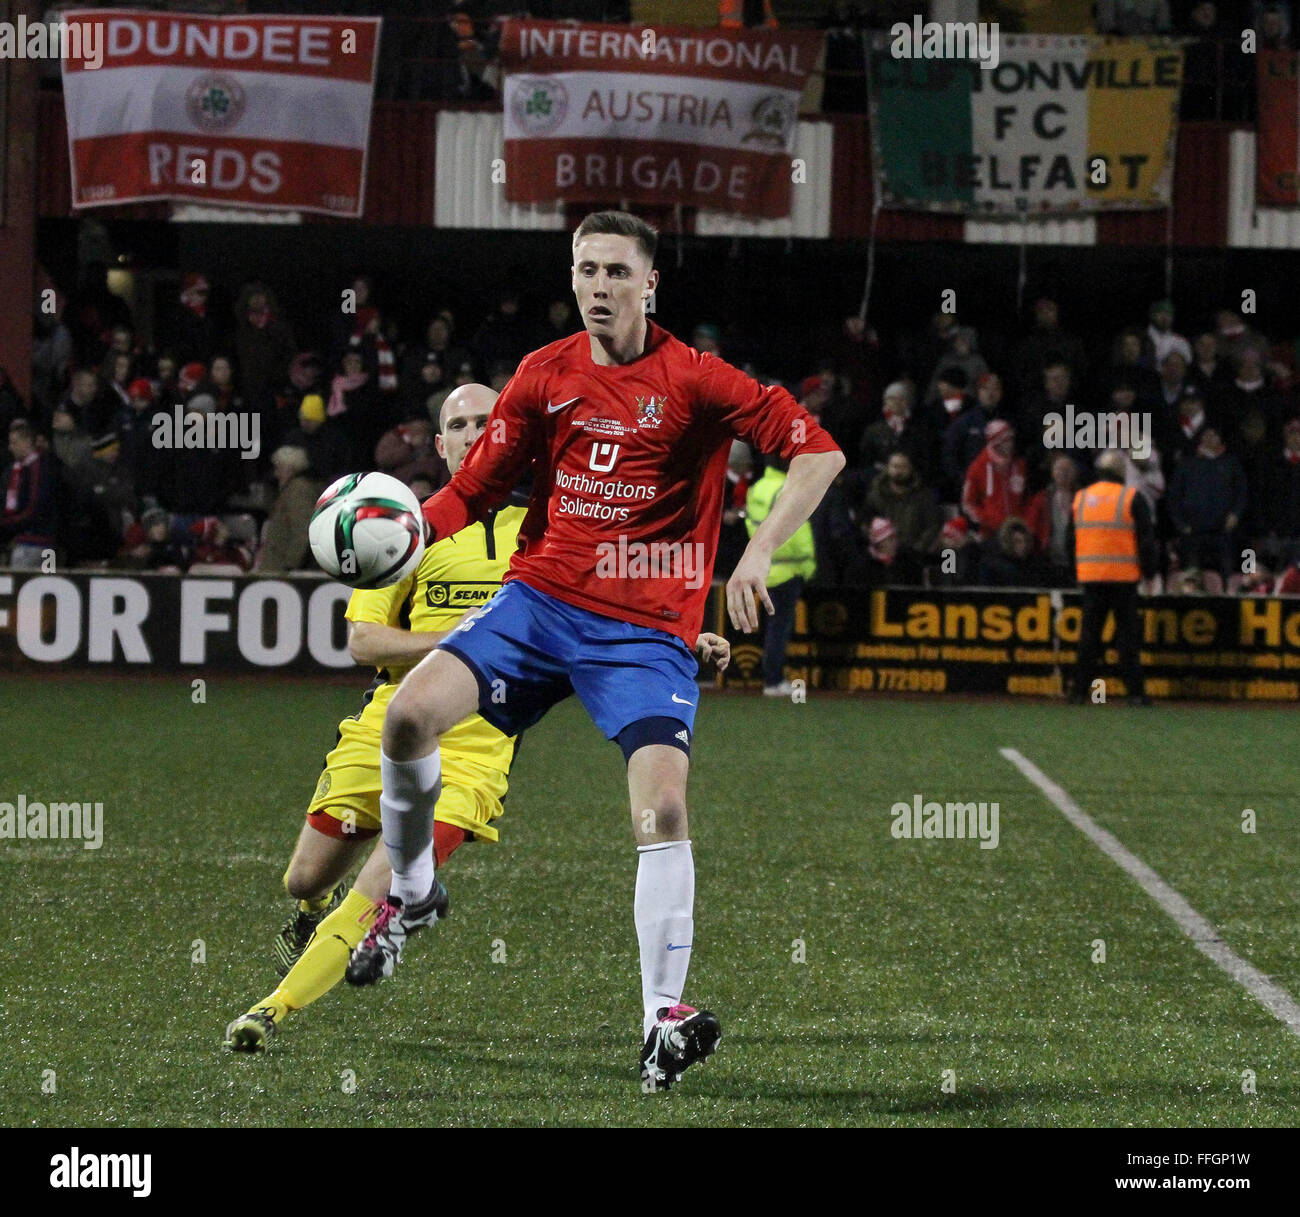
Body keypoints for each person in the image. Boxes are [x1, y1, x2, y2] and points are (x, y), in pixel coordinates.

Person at [346, 210, 844, 1092]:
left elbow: (819, 453)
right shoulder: (544, 373)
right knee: (409, 718)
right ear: (571, 276)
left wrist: (756, 552)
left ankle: (663, 1017)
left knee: (661, 811)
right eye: (586, 270)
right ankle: (414, 892)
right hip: (537, 605)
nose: (600, 287)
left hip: (645, 631)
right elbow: (474, 488)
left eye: (618, 272)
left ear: (651, 284)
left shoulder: (696, 378)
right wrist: (410, 531)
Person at [224, 384, 732, 1051]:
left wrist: (685, 646)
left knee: (379, 887)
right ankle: (311, 914)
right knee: (305, 876)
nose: (472, 433)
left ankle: (272, 1009)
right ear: (440, 446)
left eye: (487, 421)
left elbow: (615, 628)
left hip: (475, 750)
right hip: (388, 721)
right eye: (458, 424)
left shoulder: (559, 534)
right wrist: (472, 645)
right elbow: (364, 642)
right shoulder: (410, 533)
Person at [1068, 451, 1159, 705]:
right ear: (1121, 472)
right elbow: (1146, 541)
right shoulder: (1131, 498)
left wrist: (1075, 573)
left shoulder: (1081, 499)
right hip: (1123, 579)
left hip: (1091, 578)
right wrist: (1150, 573)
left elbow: (1070, 540)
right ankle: (1135, 694)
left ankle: (1078, 692)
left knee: (1089, 639)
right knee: (1127, 639)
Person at [745, 455, 816, 696]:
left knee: (772, 627)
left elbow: (753, 523)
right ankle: (773, 681)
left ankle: (771, 678)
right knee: (779, 628)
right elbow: (797, 532)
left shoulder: (757, 488)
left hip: (764, 566)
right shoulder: (787, 489)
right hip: (787, 568)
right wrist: (807, 561)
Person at [2, 420, 59, 568]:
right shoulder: (18, 469)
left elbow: (34, 506)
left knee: (24, 584)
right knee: (48, 581)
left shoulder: (38, 468)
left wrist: (8, 523)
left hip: (35, 543)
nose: (10, 447)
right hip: (37, 542)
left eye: (14, 442)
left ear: (27, 442)